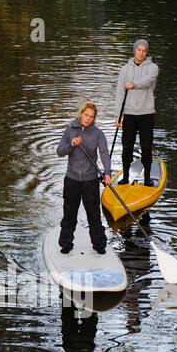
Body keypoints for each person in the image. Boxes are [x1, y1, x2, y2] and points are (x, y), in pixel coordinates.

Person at [56, 101, 112, 255]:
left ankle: (99, 245)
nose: (88, 119)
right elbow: (60, 151)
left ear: (94, 118)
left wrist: (107, 173)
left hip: (90, 181)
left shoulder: (98, 133)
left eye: (91, 117)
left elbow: (104, 153)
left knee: (94, 215)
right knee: (69, 214)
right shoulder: (69, 131)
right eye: (86, 115)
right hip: (72, 180)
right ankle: (66, 244)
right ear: (81, 114)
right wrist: (71, 144)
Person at [115, 37, 159, 186]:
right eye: (139, 50)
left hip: (146, 113)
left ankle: (147, 179)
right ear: (134, 50)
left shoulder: (152, 68)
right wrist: (118, 115)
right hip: (129, 114)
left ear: (146, 53)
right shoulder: (125, 69)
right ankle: (125, 177)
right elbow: (120, 94)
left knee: (146, 147)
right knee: (127, 146)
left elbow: (148, 81)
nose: (141, 53)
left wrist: (133, 84)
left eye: (144, 51)